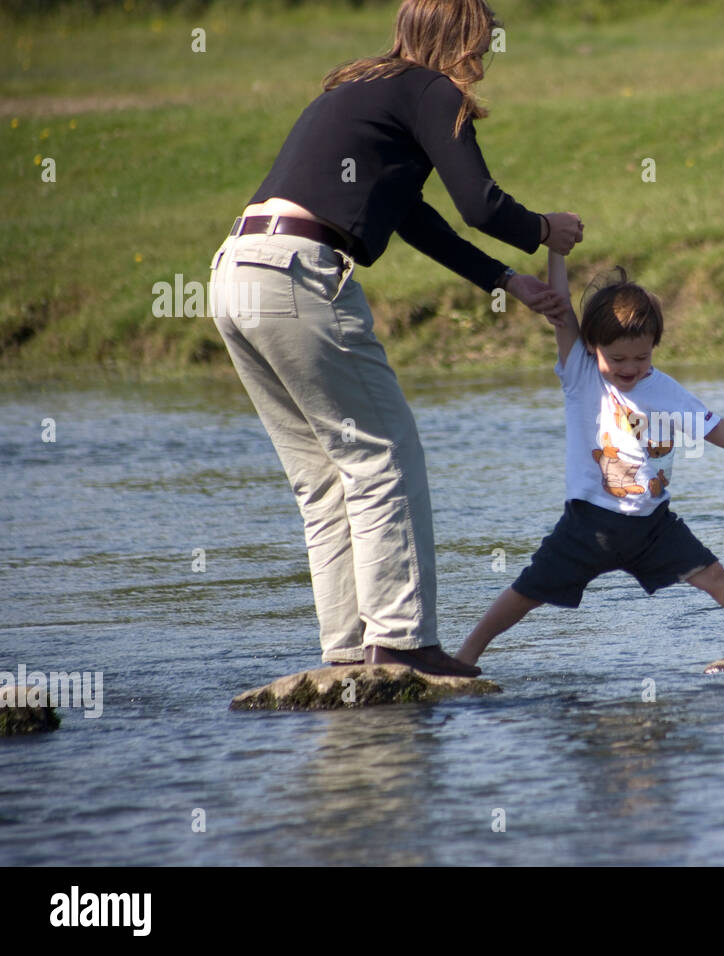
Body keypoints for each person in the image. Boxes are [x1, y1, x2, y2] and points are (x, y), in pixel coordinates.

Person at [209, 0, 578, 678]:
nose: (484, 59)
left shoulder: (365, 88)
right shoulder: (432, 90)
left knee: (324, 477)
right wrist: (542, 230)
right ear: (463, 38)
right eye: (483, 41)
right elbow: (479, 203)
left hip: (238, 271)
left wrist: (506, 279)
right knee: (384, 454)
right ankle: (403, 643)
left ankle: (349, 653)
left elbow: (412, 215)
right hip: (302, 275)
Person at [453, 250, 724, 668]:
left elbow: (710, 426)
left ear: (654, 346)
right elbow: (561, 312)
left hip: (652, 524)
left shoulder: (664, 389)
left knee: (712, 575)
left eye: (642, 357)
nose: (630, 368)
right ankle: (466, 655)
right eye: (617, 359)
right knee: (527, 592)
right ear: (593, 346)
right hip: (588, 526)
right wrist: (556, 250)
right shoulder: (581, 374)